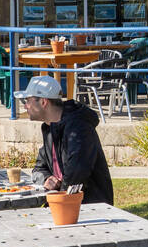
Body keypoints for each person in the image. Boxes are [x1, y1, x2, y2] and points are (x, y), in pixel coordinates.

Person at [17, 76, 112, 205]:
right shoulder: (50, 128)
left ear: (44, 102)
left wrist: (55, 200)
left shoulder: (78, 128)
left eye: (27, 100)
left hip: (87, 206)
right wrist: (47, 178)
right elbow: (39, 168)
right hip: (65, 202)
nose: (25, 106)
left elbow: (76, 176)